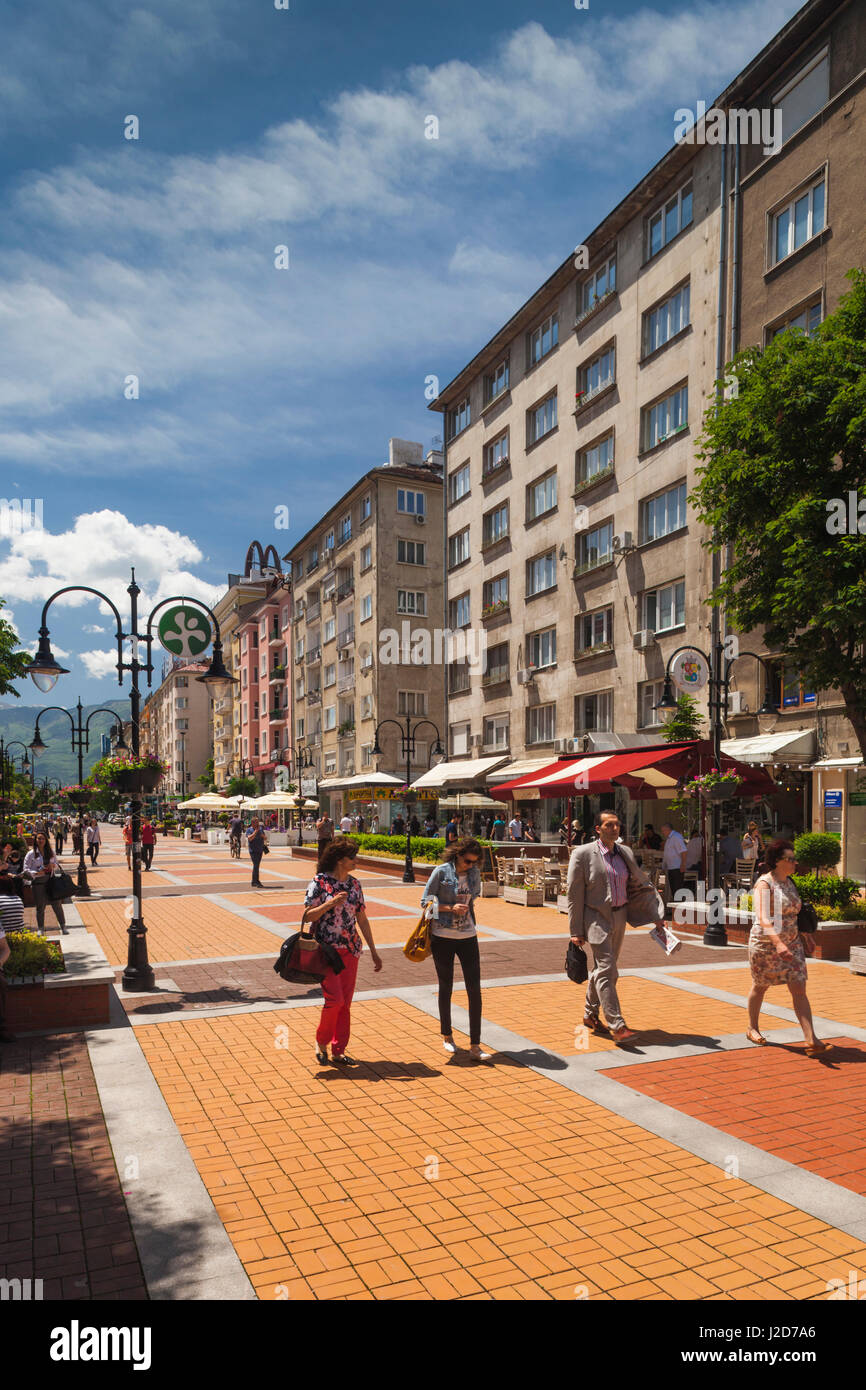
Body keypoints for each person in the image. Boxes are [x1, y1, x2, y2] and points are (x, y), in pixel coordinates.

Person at [567, 811, 663, 1043]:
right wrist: (575, 931)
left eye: (617, 825)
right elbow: (574, 894)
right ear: (598, 829)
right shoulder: (582, 854)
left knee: (603, 969)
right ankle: (617, 1024)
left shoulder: (625, 853)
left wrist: (656, 915)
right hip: (595, 918)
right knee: (609, 969)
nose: (614, 828)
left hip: (620, 917)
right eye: (609, 825)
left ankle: (590, 1014)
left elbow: (640, 885)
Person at [747, 839, 829, 1056]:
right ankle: (752, 1027)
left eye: (794, 858)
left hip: (792, 945)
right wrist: (778, 943)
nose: (794, 862)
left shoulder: (790, 882)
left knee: (799, 988)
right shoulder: (764, 884)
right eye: (790, 859)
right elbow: (763, 919)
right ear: (776, 861)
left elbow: (795, 914)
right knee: (760, 986)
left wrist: (806, 937)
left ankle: (811, 1038)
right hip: (765, 945)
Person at [304, 837, 382, 1065]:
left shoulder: (355, 885)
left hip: (351, 949)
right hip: (326, 951)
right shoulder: (320, 882)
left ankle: (338, 1050)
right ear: (340, 860)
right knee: (335, 1000)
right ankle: (321, 1042)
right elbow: (308, 915)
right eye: (352, 857)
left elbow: (362, 919)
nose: (356, 860)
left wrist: (374, 951)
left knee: (345, 1003)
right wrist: (330, 903)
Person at [421, 837, 490, 1061]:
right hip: (443, 935)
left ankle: (475, 1045)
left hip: (468, 935)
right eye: (468, 861)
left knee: (474, 989)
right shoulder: (441, 872)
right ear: (459, 855)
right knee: (446, 986)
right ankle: (447, 1036)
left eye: (475, 862)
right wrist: (450, 908)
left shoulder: (474, 874)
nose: (471, 866)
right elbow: (426, 903)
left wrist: (465, 911)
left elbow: (474, 899)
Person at [24, 832, 67, 936]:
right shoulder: (31, 854)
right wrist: (37, 873)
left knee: (57, 905)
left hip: (51, 881)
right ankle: (41, 928)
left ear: (46, 840)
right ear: (36, 840)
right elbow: (25, 870)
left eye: (43, 838)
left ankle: (63, 926)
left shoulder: (50, 852)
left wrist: (53, 865)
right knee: (40, 907)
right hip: (38, 883)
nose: (41, 840)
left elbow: (57, 864)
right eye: (39, 839)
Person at [660, 822, 687, 904]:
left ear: (668, 829)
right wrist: (664, 866)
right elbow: (667, 853)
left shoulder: (676, 837)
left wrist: (683, 864)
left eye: (663, 831)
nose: (662, 833)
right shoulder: (669, 838)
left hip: (677, 867)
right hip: (671, 867)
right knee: (674, 889)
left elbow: (683, 851)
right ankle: (677, 909)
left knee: (678, 889)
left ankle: (680, 909)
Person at [246, 817, 268, 887]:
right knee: (256, 866)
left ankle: (254, 881)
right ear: (252, 823)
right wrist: (256, 831)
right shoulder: (249, 830)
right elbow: (250, 838)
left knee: (257, 866)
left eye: (258, 822)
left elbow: (265, 837)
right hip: (253, 850)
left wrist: (262, 835)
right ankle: (256, 881)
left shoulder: (261, 829)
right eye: (256, 822)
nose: (258, 823)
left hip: (260, 849)